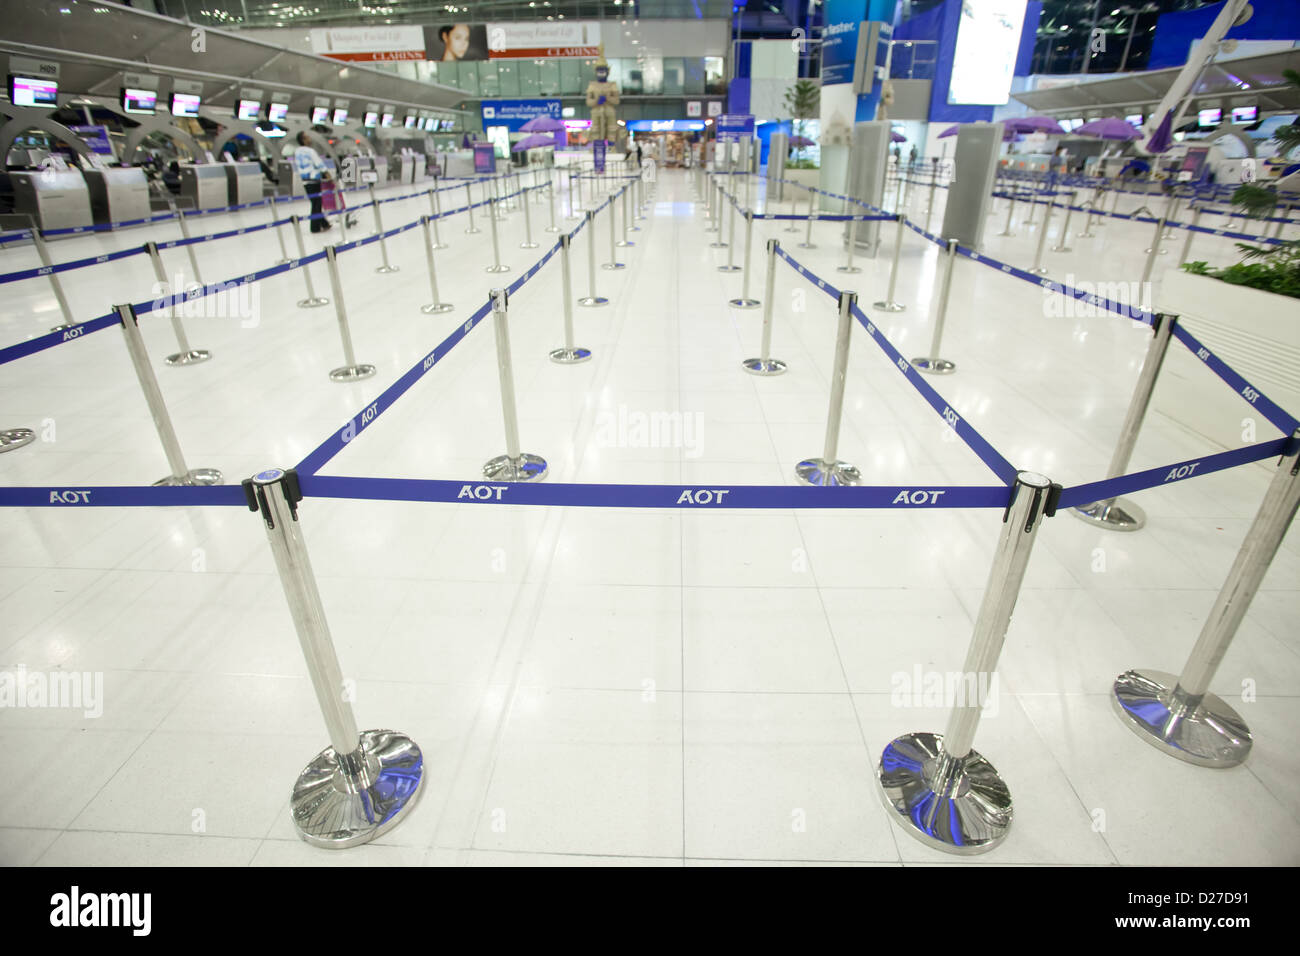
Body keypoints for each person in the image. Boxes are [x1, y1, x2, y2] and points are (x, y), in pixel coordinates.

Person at [294, 131, 331, 233]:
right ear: (303, 140)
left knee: (314, 203)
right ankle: (314, 228)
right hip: (314, 180)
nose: (309, 138)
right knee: (317, 204)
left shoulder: (297, 152)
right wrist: (327, 174)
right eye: (307, 137)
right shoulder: (310, 151)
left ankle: (324, 223)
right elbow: (319, 164)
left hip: (305, 181)